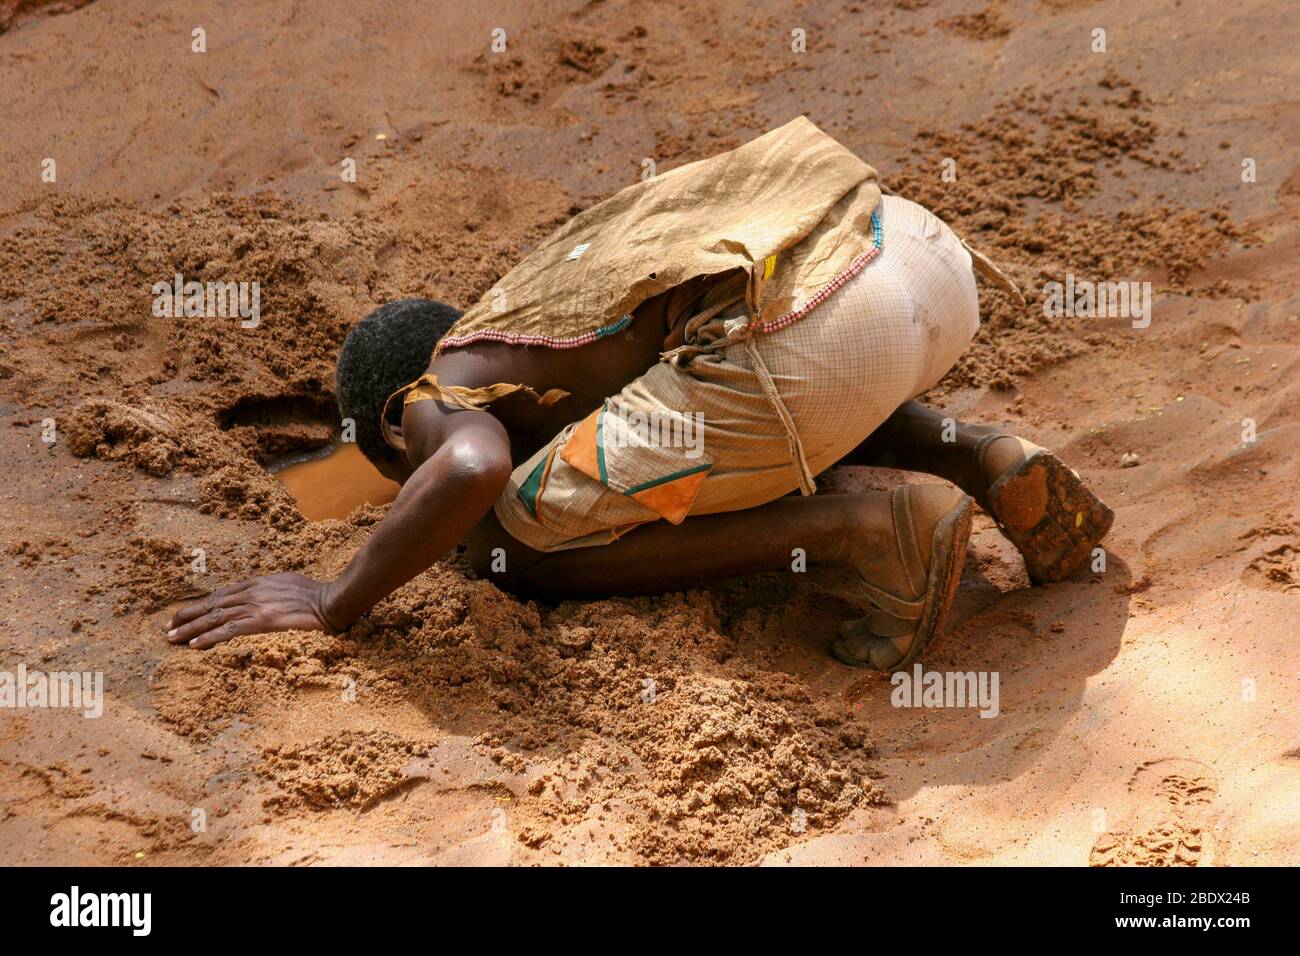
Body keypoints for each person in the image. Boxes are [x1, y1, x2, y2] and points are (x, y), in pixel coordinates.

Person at [167, 119, 1112, 670]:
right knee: (721, 392)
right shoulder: (536, 317)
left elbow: (468, 462)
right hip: (914, 255)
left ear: (390, 418)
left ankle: (867, 529)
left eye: (391, 467)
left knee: (507, 543)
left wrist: (340, 597)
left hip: (817, 341)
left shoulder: (432, 388)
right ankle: (980, 455)